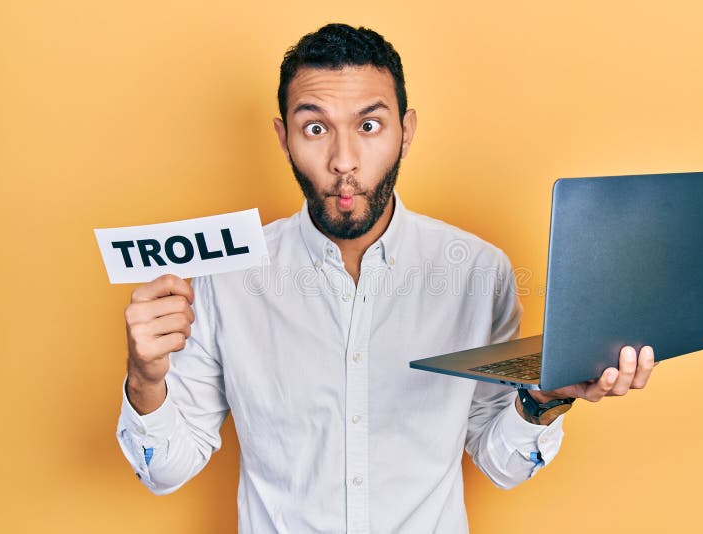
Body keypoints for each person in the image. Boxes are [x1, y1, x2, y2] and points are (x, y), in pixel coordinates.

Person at [117, 23, 656, 533]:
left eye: (369, 126)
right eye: (315, 128)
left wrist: (543, 400)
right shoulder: (224, 279)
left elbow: (502, 465)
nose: (343, 160)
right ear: (283, 137)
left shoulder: (477, 271)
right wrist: (144, 378)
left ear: (407, 131)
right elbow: (164, 469)